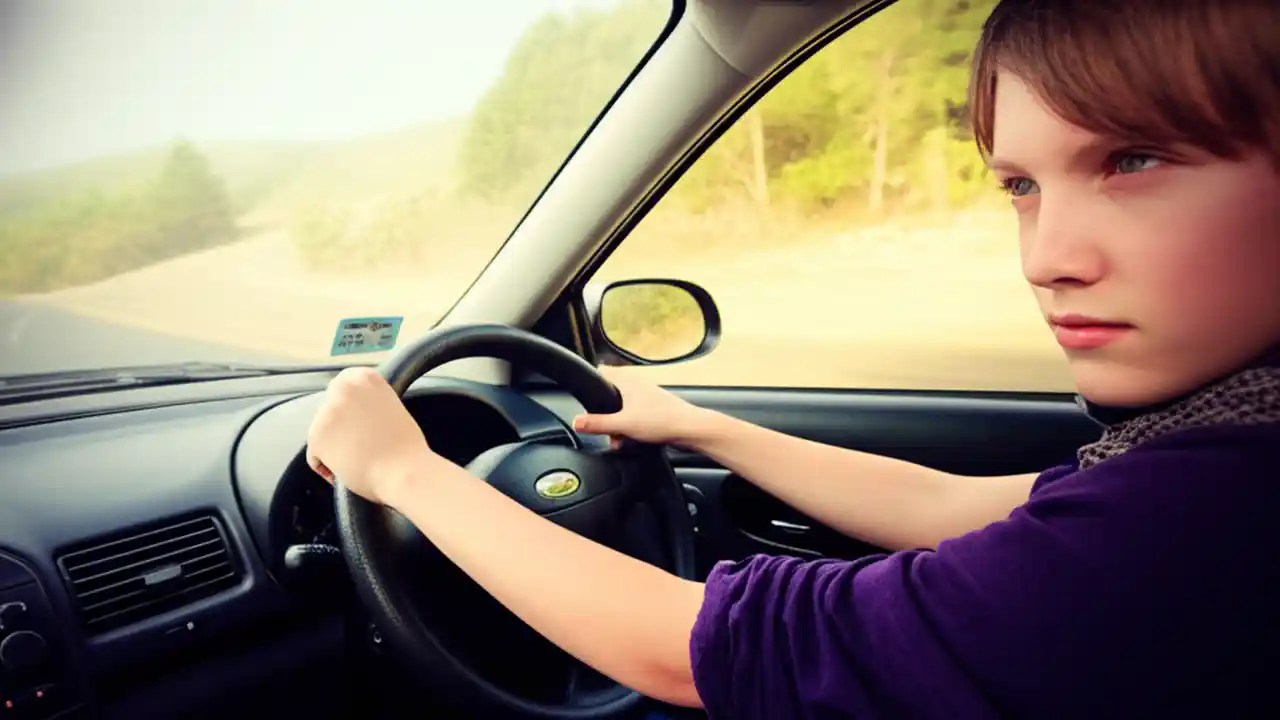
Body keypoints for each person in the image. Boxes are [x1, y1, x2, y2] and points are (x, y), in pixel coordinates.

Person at [305, 0, 1280, 716]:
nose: (1044, 261)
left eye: (1132, 161)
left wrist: (400, 471)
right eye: (1018, 186)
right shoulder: (1207, 440)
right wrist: (697, 426)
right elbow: (952, 511)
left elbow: (683, 656)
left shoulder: (1211, 514)